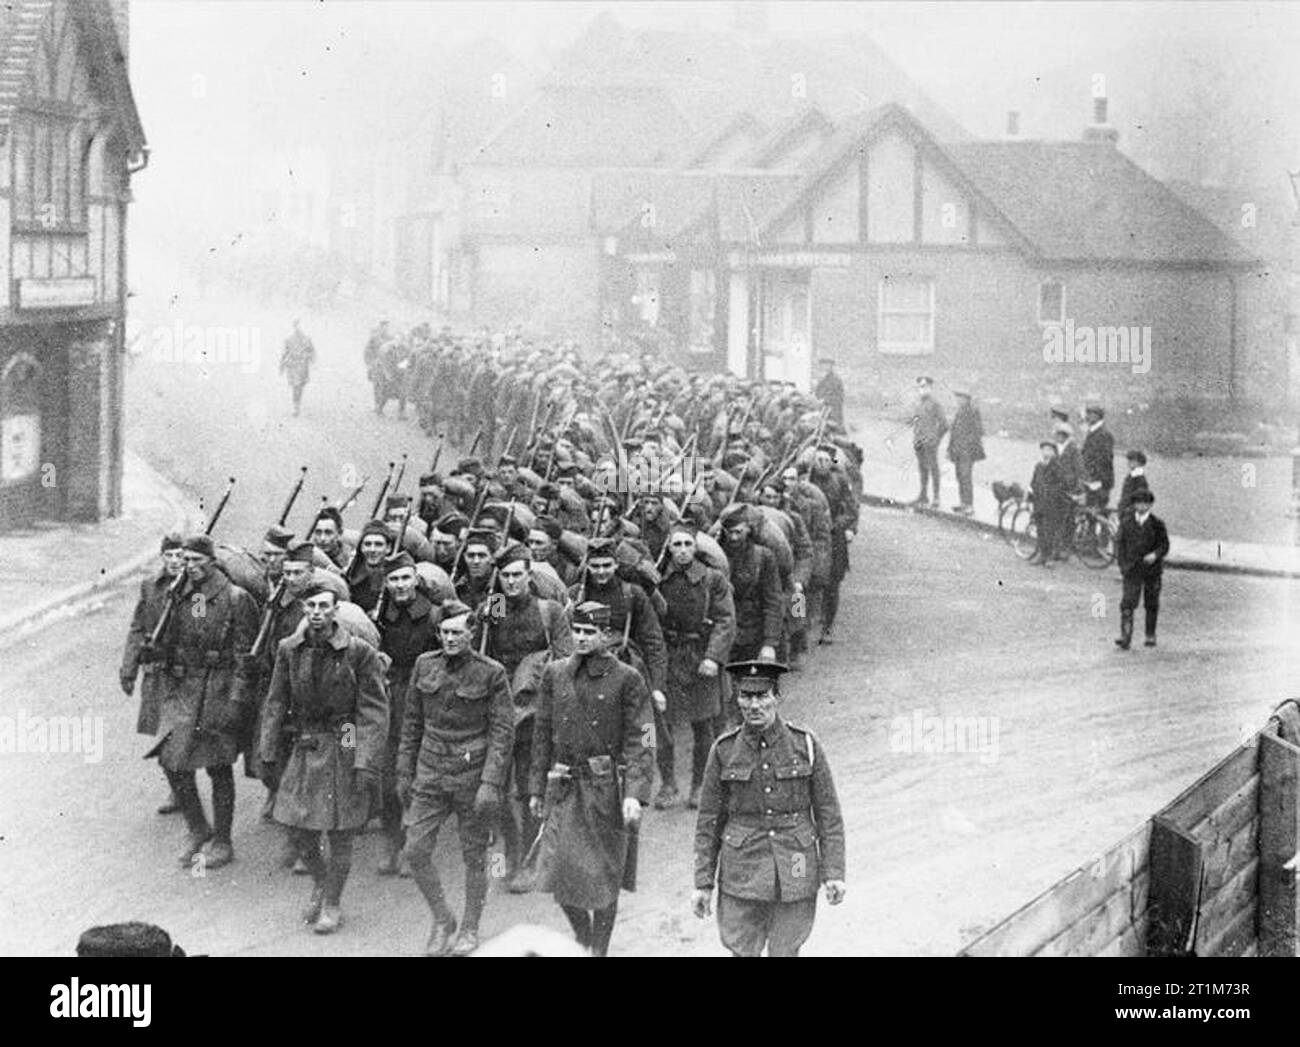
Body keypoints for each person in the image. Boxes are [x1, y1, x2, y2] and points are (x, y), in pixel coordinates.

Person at [258, 583, 388, 934]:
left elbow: (373, 712)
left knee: (341, 833)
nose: (317, 612)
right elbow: (275, 701)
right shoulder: (289, 649)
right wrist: (267, 749)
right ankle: (321, 881)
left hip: (343, 742)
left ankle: (332, 902)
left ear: (336, 610)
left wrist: (364, 760)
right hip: (305, 744)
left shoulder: (358, 652)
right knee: (297, 829)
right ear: (304, 609)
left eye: (324, 606)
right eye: (311, 605)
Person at [692, 660, 845, 957]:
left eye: (762, 696)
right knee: (741, 950)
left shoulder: (806, 744)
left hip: (796, 866)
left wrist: (834, 873)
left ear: (776, 697)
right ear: (737, 699)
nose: (754, 705)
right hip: (742, 872)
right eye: (746, 697)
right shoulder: (723, 750)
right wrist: (702, 883)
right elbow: (708, 822)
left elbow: (829, 815)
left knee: (786, 951)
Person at [528, 601, 654, 957]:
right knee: (557, 871)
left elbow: (644, 735)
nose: (582, 639)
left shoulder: (627, 677)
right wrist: (536, 786)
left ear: (606, 635)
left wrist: (636, 792)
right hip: (566, 786)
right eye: (577, 631)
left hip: (606, 791)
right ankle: (583, 934)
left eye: (589, 632)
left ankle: (598, 950)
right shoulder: (555, 673)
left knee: (604, 877)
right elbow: (542, 732)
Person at [398, 601, 514, 956]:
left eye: (456, 632)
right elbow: (412, 723)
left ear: (471, 634)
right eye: (444, 632)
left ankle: (469, 927)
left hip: (472, 773)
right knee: (415, 851)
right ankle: (443, 918)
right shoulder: (424, 665)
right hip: (430, 772)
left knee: (475, 857)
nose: (449, 638)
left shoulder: (491, 673)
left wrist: (490, 784)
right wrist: (404, 769)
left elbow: (502, 733)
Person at [147, 534, 259, 870]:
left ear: (212, 561)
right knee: (170, 759)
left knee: (218, 766)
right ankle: (198, 827)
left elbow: (246, 655)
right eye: (187, 560)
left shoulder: (235, 598)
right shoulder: (181, 594)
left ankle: (222, 840)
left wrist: (238, 699)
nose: (190, 566)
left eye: (197, 561)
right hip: (185, 688)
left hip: (219, 690)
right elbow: (174, 635)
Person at [477, 544, 572, 892]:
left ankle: (529, 861)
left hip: (535, 713)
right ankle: (513, 850)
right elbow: (479, 652)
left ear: (529, 576)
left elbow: (565, 663)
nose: (512, 581)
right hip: (499, 711)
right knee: (496, 790)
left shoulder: (549, 611)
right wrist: (482, 616)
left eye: (518, 574)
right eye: (505, 575)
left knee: (529, 788)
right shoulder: (496, 607)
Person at [657, 523, 736, 810]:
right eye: (676, 545)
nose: (682, 551)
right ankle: (667, 783)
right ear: (669, 548)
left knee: (702, 725)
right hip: (667, 657)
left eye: (687, 545)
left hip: (699, 656)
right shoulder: (658, 578)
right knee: (660, 726)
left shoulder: (712, 579)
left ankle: (700, 785)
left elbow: (726, 620)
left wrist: (713, 657)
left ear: (696, 548)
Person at [374, 549, 441, 875]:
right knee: (388, 775)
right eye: (393, 579)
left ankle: (415, 847)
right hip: (389, 697)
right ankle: (391, 840)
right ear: (385, 583)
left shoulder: (434, 615)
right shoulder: (379, 616)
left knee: (419, 777)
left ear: (416, 579)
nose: (400, 585)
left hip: (426, 700)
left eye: (404, 578)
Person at [119, 533, 186, 815]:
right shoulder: (150, 587)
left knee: (177, 737)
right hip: (157, 673)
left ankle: (181, 790)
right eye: (169, 555)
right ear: (162, 557)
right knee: (163, 734)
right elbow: (137, 627)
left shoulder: (195, 590)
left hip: (184, 675)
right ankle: (179, 790)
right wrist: (129, 667)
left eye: (180, 556)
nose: (174, 561)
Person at [1114, 489, 1169, 649]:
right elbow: (1119, 544)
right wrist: (1123, 565)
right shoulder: (1127, 522)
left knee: (1151, 602)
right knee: (1127, 603)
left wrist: (1155, 554)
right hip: (1132, 569)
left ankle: (1150, 635)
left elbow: (1164, 545)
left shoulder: (1157, 524)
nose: (1141, 507)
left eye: (1145, 503)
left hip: (1152, 570)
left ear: (1150, 505)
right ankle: (1126, 636)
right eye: (1138, 503)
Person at [1028, 441, 1069, 568]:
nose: (1046, 453)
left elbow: (1063, 484)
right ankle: (1041, 554)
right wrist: (1030, 495)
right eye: (1044, 450)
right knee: (1040, 529)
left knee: (1049, 531)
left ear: (1054, 453)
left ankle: (1049, 557)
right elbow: (1033, 482)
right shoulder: (1039, 466)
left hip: (1052, 504)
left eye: (1049, 450)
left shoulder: (1057, 467)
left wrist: (1051, 493)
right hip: (1039, 502)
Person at [909, 376, 948, 509]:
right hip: (919, 442)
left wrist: (936, 439)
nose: (922, 389)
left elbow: (944, 424)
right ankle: (923, 495)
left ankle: (936, 497)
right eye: (920, 386)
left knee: (933, 468)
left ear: (930, 388)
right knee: (922, 469)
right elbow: (915, 421)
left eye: (925, 386)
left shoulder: (935, 404)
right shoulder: (919, 404)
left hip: (930, 443)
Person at [946, 390, 985, 515]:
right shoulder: (959, 412)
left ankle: (969, 505)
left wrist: (968, 445)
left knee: (965, 477)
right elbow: (954, 433)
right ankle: (963, 503)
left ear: (967, 399)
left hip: (967, 452)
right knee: (960, 477)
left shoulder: (972, 412)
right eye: (957, 398)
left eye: (961, 398)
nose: (958, 400)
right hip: (957, 450)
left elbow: (979, 431)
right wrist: (949, 449)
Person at [1081, 405, 1115, 510]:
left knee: (1098, 513)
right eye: (1088, 414)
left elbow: (1105, 459)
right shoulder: (1091, 432)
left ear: (1098, 416)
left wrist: (1096, 477)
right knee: (1089, 512)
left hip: (1100, 481)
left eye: (1091, 414)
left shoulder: (1104, 434)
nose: (1088, 417)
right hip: (1091, 480)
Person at [280, 320, 316, 416]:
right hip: (295, 366)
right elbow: (285, 354)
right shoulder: (289, 339)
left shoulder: (306, 339)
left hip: (301, 366)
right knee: (297, 386)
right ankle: (296, 406)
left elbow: (312, 352)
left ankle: (296, 405)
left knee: (299, 387)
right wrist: (282, 366)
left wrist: (310, 358)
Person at [1117, 450, 1151, 518]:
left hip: (1131, 515)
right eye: (1129, 460)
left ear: (1139, 463)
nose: (1129, 462)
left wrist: (1128, 511)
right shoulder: (1131, 476)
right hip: (1124, 512)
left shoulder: (1140, 480)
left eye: (1132, 460)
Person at [813, 357, 845, 427]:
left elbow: (839, 397)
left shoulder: (836, 380)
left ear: (831, 366)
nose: (824, 366)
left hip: (832, 413)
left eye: (827, 364)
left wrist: (825, 400)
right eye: (823, 364)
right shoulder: (821, 380)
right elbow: (817, 394)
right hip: (821, 412)